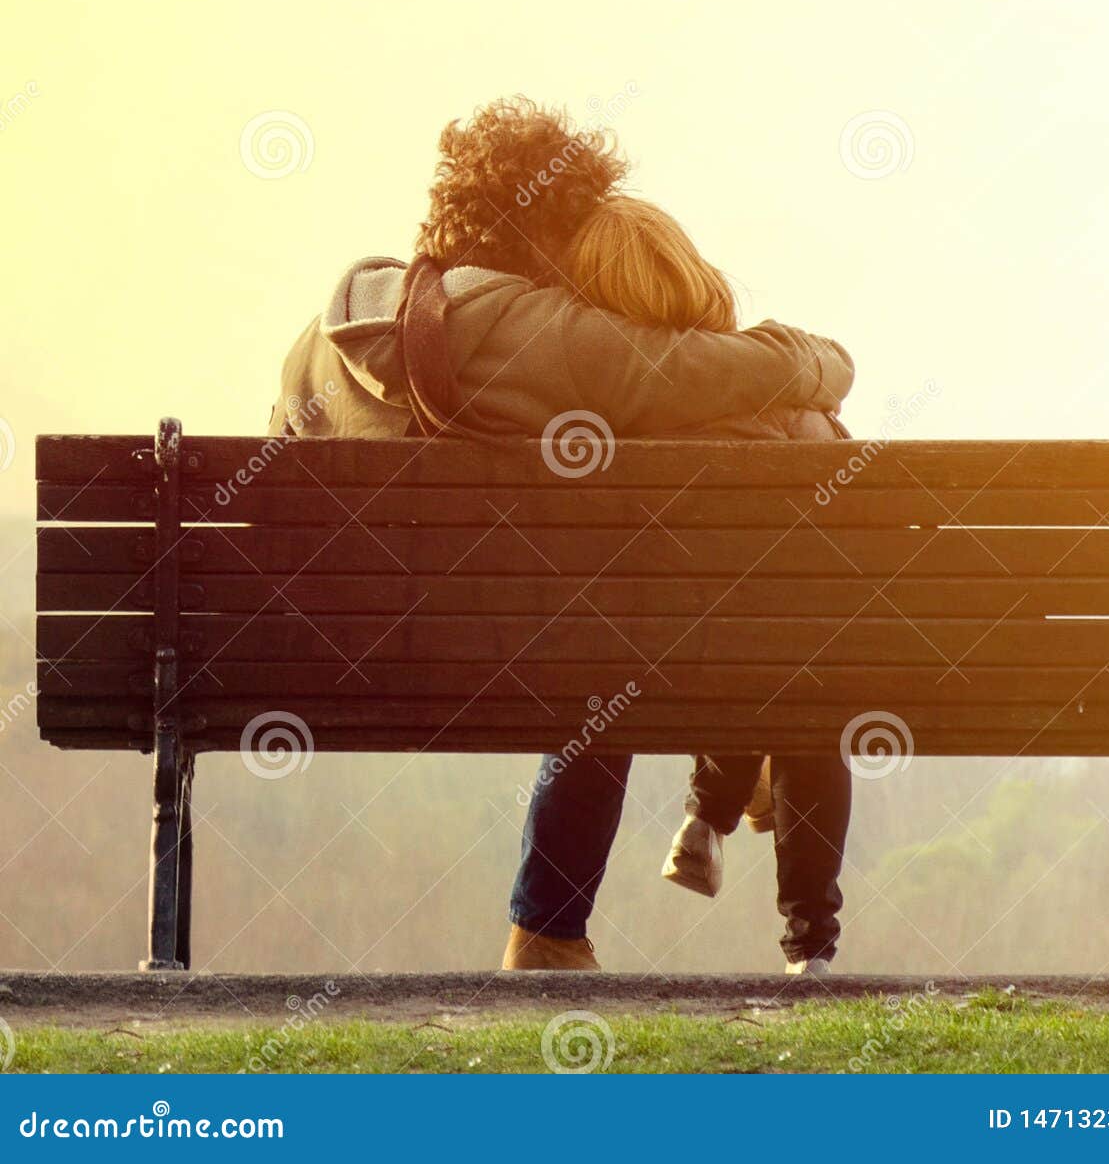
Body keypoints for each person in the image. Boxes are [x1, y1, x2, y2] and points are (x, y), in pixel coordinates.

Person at [267, 98, 854, 973]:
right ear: (546, 232)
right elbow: (732, 369)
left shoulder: (324, 336)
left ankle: (561, 921)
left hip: (325, 655)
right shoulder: (544, 336)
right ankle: (548, 929)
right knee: (594, 640)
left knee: (581, 618)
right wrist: (820, 362)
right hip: (520, 655)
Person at [560, 196, 854, 977]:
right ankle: (808, 946)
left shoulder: (595, 411)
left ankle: (709, 812)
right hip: (791, 665)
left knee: (737, 642)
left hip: (648, 672)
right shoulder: (779, 396)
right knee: (797, 679)